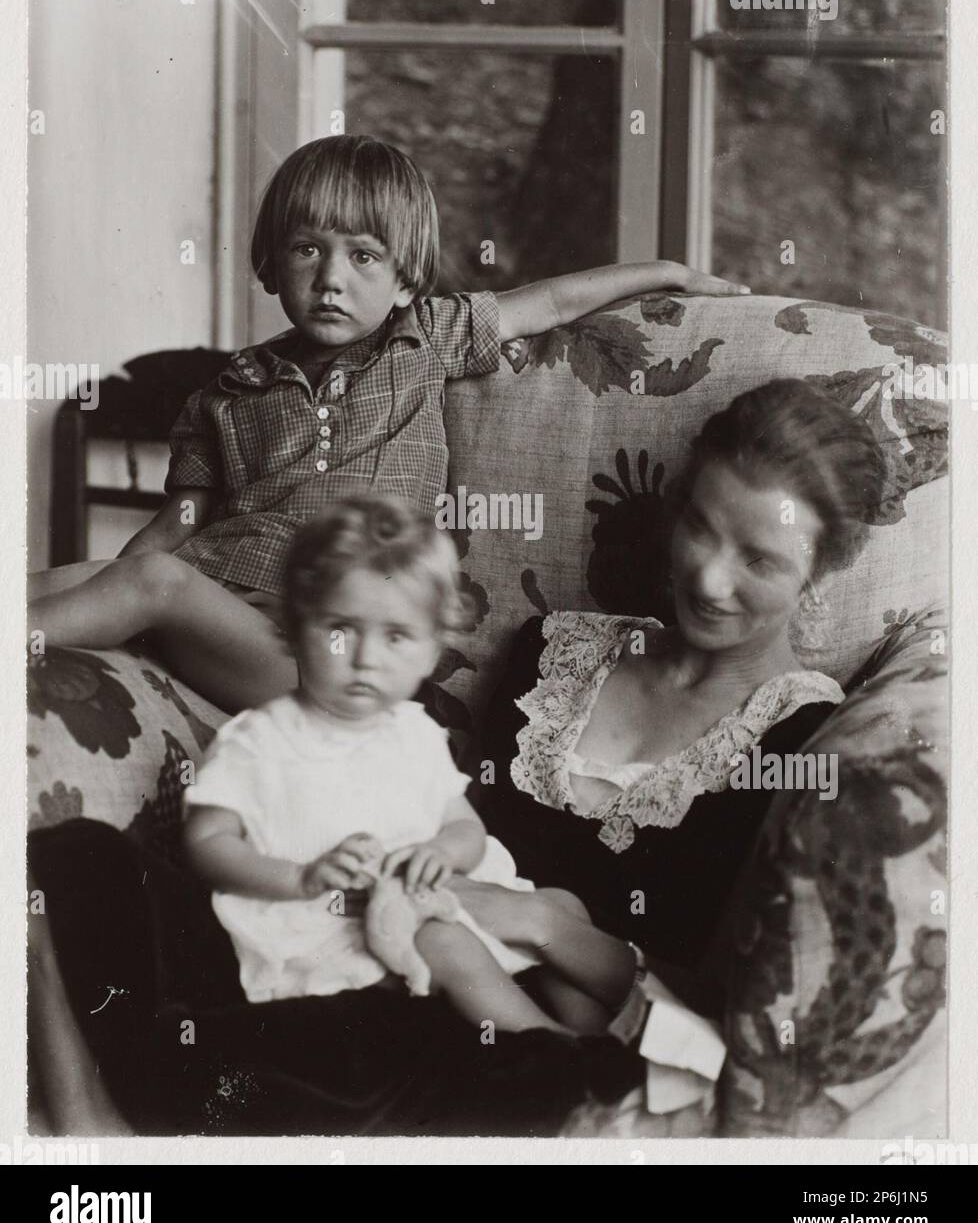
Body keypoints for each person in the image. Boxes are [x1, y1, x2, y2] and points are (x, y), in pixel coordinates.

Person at [27, 134, 748, 714]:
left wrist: (667, 272)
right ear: (272, 266)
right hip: (214, 614)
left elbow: (552, 302)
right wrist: (113, 579)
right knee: (91, 575)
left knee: (151, 582)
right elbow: (178, 524)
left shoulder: (424, 339)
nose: (331, 278)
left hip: (323, 651)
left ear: (406, 279)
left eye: (363, 256)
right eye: (307, 249)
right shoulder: (228, 392)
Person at [466, 378, 887, 1018]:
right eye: (700, 526)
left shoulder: (805, 744)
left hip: (594, 1079)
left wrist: (541, 924)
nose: (709, 580)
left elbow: (731, 1007)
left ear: (818, 575)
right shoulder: (548, 656)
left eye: (760, 560)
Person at [182, 495, 638, 1036]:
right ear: (294, 628)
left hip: (423, 900)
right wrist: (301, 877)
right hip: (330, 923)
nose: (366, 658)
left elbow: (464, 827)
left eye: (395, 636)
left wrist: (440, 851)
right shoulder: (260, 740)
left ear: (429, 652)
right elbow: (206, 844)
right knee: (446, 940)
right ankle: (551, 1052)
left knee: (562, 905)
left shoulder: (415, 733)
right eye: (340, 631)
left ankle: (600, 1043)